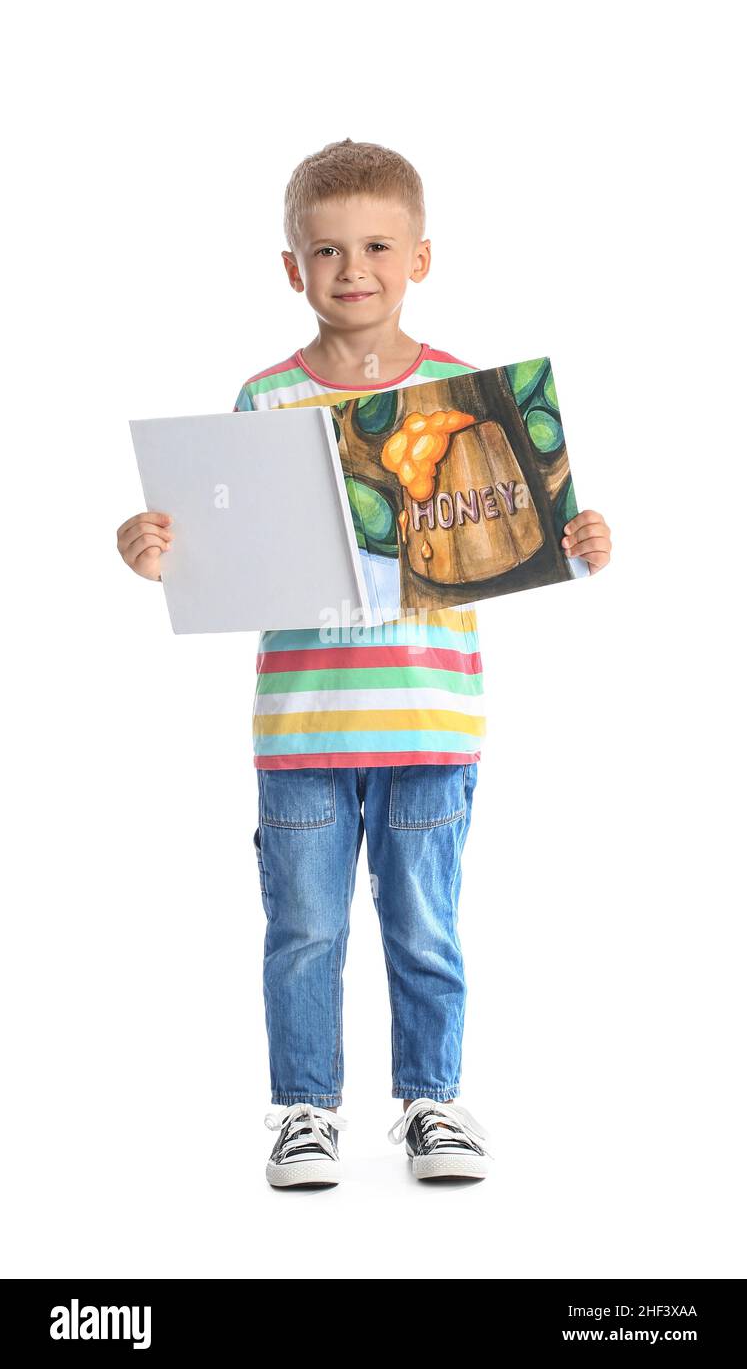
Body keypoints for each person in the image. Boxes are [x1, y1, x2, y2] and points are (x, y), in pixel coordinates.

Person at [117, 138, 612, 1190]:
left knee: (425, 925)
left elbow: (521, 533)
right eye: (327, 249)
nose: (354, 268)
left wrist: (578, 540)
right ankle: (304, 1110)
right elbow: (222, 552)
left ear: (420, 257)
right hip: (301, 729)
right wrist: (156, 550)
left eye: (378, 245)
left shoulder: (466, 394)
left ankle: (432, 1100)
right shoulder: (260, 401)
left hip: (432, 722)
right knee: (302, 931)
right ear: (291, 267)